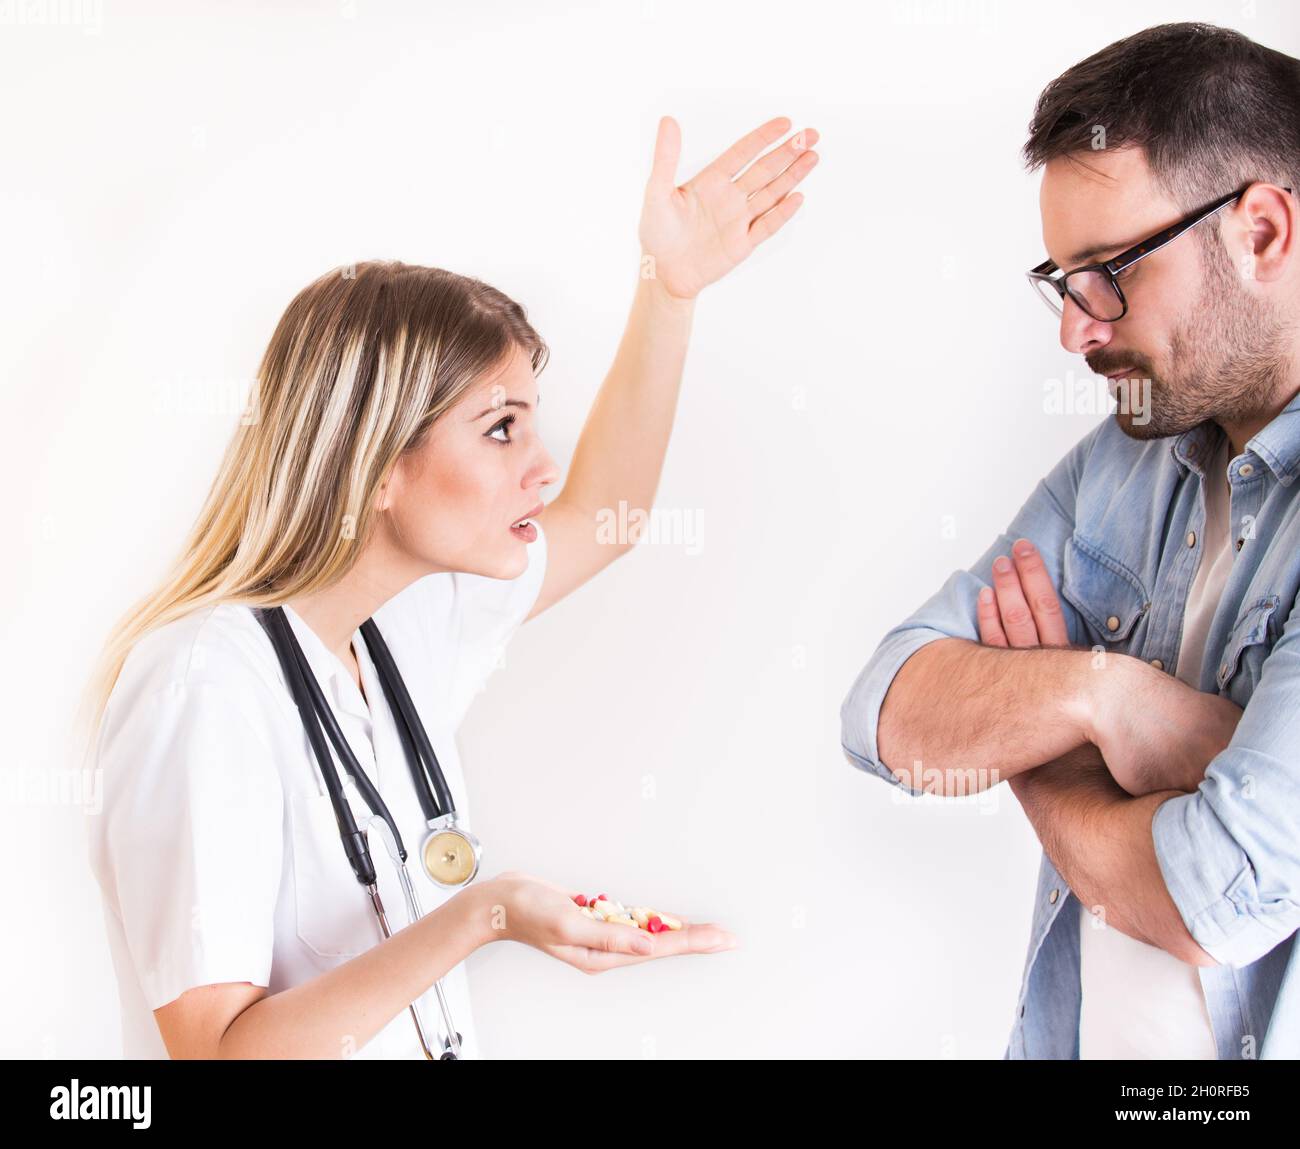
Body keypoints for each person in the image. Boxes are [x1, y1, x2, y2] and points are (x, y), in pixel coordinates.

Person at [82, 114, 820, 1059]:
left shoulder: (401, 627)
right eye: (502, 428)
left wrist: (667, 292)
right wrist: (485, 916)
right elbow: (219, 1054)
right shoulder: (204, 682)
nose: (542, 468)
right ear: (378, 466)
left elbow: (609, 516)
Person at [840, 23, 1300, 1059]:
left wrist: (1045, 761)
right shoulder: (1126, 461)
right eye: (1063, 278)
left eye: (1110, 269)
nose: (1075, 330)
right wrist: (1105, 696)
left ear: (1262, 231)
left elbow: (1211, 897)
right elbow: (883, 713)